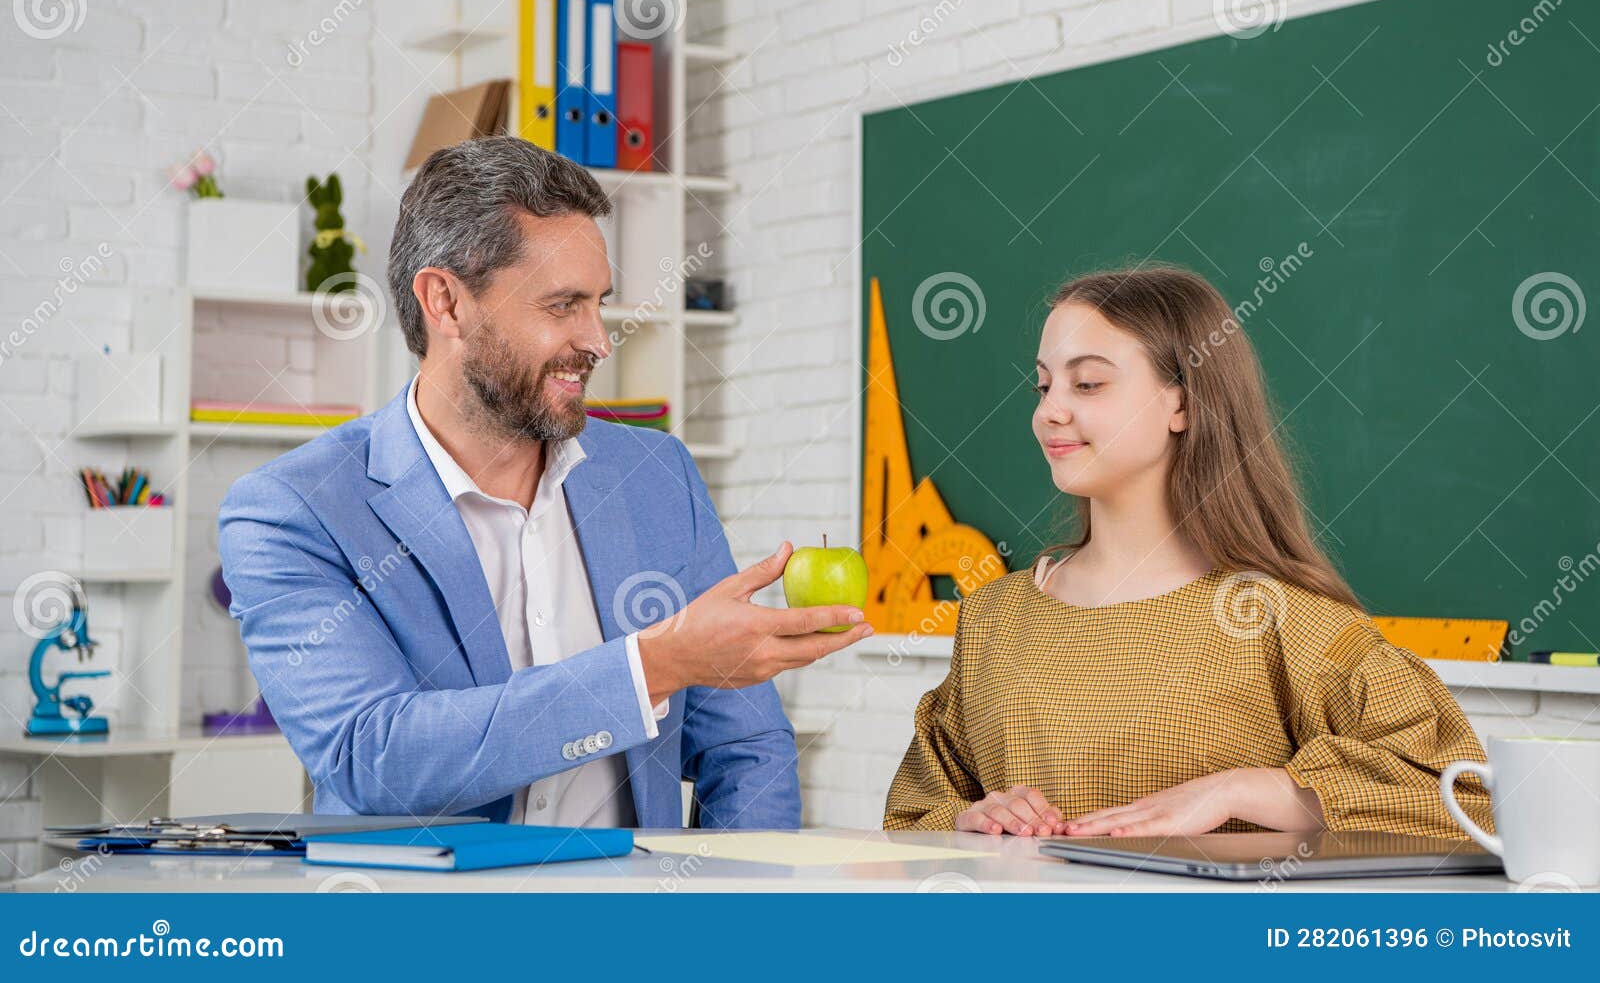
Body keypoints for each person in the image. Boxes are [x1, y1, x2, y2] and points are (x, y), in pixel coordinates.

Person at [220, 136, 872, 829]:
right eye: (563, 305)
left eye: (599, 302)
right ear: (445, 303)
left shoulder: (656, 477)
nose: (597, 339)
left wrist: (722, 922)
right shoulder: (295, 511)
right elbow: (374, 753)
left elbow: (746, 748)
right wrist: (647, 667)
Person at [883, 265, 1493, 840]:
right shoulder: (995, 617)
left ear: (1183, 403)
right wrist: (971, 819)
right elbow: (912, 813)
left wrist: (1243, 792)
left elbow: (1460, 797)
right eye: (1044, 385)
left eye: (1088, 383)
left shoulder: (1278, 617)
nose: (1049, 411)